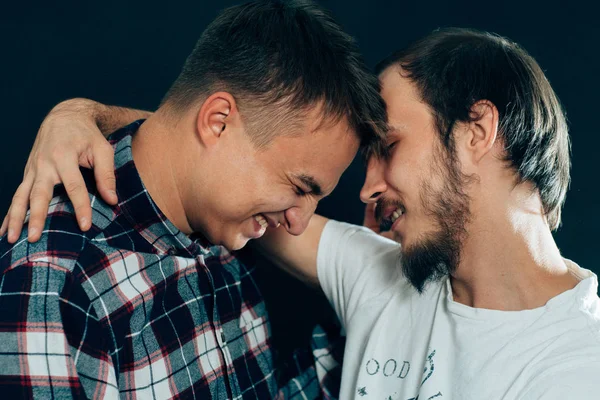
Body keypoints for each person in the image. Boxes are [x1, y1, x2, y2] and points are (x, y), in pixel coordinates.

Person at [5, 28, 600, 400]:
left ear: (477, 132)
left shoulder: (579, 367)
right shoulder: (379, 276)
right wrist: (81, 114)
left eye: (388, 148)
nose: (367, 189)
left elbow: (220, 144)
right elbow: (193, 157)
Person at [0, 0, 387, 398]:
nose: (298, 223)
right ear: (218, 122)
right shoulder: (54, 281)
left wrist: (376, 312)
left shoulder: (222, 228)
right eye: (300, 187)